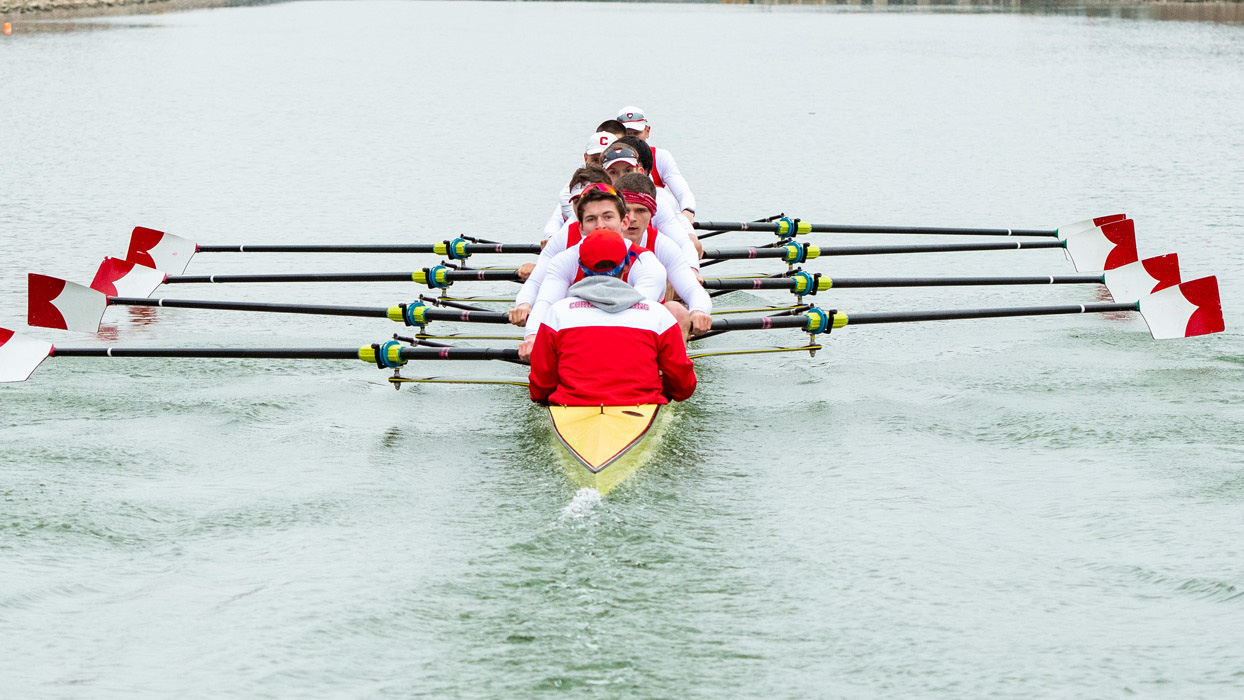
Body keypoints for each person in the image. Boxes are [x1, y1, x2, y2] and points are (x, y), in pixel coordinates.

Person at [528, 228, 696, 407]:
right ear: (627, 266)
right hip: (640, 407)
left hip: (573, 406)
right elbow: (684, 386)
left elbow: (540, 386)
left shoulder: (557, 313)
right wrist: (664, 393)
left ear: (581, 266)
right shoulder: (658, 314)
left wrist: (546, 398)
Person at [513, 184, 667, 360]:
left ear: (624, 222)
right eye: (591, 219)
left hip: (630, 342)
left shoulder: (645, 262)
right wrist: (533, 336)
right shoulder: (564, 260)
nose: (600, 226)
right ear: (581, 227)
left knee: (675, 311)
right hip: (586, 340)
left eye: (607, 217)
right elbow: (546, 302)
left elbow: (636, 316)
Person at [615, 172, 712, 338]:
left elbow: (694, 290)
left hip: (644, 326)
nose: (632, 218)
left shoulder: (662, 245)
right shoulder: (592, 241)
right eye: (626, 210)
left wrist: (698, 311)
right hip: (600, 323)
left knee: (677, 310)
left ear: (652, 213)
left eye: (640, 210)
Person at [601, 140, 703, 263]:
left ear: (640, 172)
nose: (622, 177)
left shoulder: (659, 200)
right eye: (613, 172)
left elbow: (684, 243)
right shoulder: (592, 206)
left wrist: (692, 266)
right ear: (603, 177)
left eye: (628, 171)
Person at [616, 106, 696, 223]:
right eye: (627, 134)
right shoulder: (607, 159)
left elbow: (683, 192)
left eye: (636, 133)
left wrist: (687, 211)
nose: (631, 139)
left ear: (647, 131)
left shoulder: (661, 157)